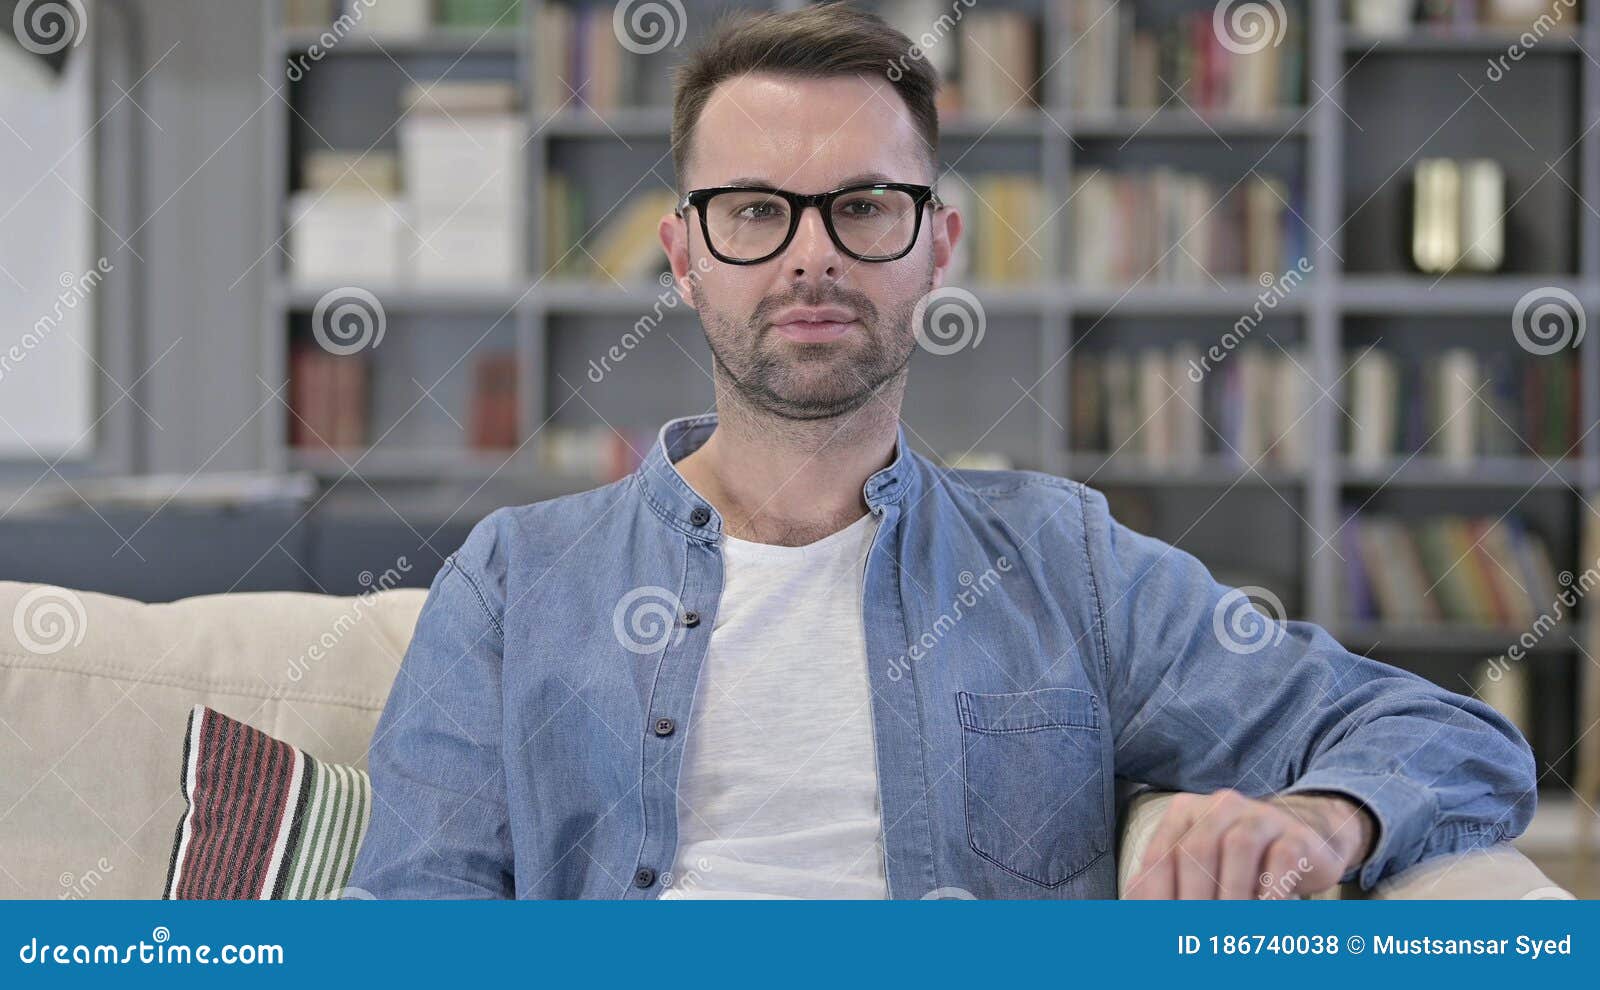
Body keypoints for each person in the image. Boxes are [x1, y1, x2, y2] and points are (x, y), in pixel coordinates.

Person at [346, 3, 1535, 900]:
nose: (810, 256)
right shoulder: (514, 580)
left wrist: (1325, 822)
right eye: (755, 210)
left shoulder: (1062, 561)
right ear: (684, 256)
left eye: (863, 206)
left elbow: (1453, 741)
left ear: (937, 245)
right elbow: (415, 923)